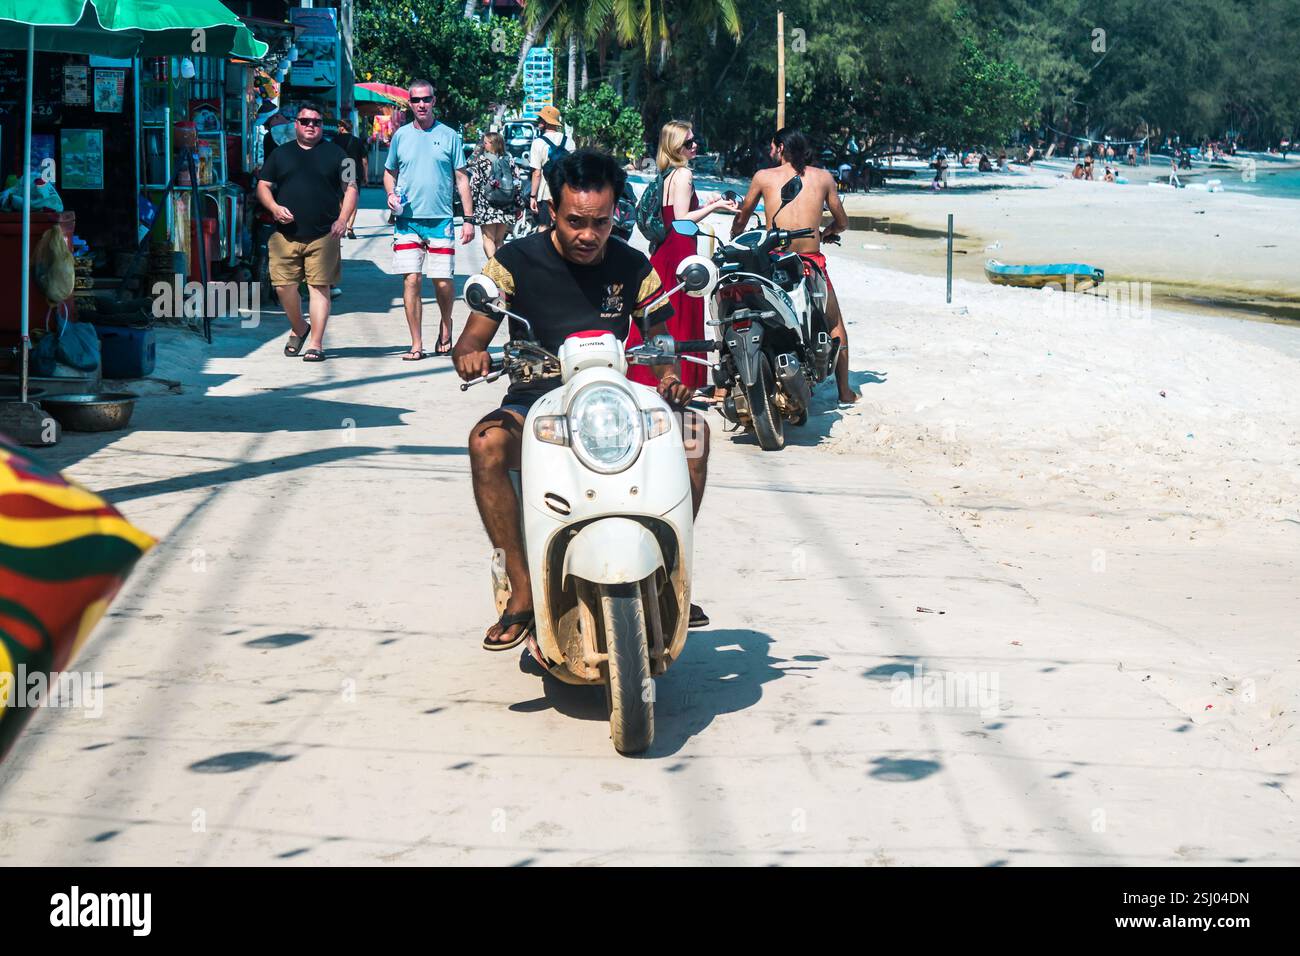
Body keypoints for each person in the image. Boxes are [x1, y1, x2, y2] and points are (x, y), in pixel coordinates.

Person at [452, 148, 713, 650]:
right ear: (553, 211)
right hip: (536, 401)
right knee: (485, 443)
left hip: (616, 401)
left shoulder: (633, 264)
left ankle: (667, 570)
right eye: (575, 221)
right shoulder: (513, 261)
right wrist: (470, 356)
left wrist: (669, 377)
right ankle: (523, 590)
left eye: (600, 221)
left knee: (695, 437)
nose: (588, 234)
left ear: (615, 214)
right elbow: (472, 340)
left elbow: (658, 341)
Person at [732, 127, 856, 405]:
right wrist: (826, 234)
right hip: (811, 262)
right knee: (835, 324)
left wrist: (734, 235)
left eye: (772, 146)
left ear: (780, 147)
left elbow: (743, 217)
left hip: (775, 260)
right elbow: (843, 222)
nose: (770, 151)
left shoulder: (763, 177)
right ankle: (845, 392)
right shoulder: (823, 177)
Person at [624, 121, 738, 392]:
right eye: (688, 143)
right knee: (683, 312)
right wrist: (718, 206)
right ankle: (684, 378)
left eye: (694, 141)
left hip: (666, 249)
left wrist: (707, 205)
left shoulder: (668, 174)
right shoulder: (683, 175)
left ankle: (647, 373)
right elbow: (681, 219)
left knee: (661, 310)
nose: (694, 145)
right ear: (676, 146)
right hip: (680, 249)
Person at [255, 100, 358, 363]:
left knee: (319, 287)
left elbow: (352, 189)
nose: (311, 126)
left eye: (317, 122)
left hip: (325, 233)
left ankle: (315, 344)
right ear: (296, 124)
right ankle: (300, 327)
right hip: (285, 234)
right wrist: (274, 207)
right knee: (283, 287)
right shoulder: (280, 153)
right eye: (305, 121)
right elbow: (263, 186)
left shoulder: (339, 155)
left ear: (323, 126)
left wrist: (343, 220)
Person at [383, 79, 474, 360]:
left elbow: (461, 178)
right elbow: (390, 172)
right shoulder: (400, 136)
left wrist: (469, 219)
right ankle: (416, 343)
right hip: (407, 220)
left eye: (426, 99)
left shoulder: (449, 136)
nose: (421, 104)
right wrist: (389, 194)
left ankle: (446, 325)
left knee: (442, 281)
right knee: (411, 280)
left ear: (434, 101)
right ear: (409, 103)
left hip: (441, 220)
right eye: (415, 100)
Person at [468, 131, 520, 260]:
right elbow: (517, 183)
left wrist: (471, 204)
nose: (483, 145)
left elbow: (475, 184)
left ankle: (494, 269)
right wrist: (518, 204)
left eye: (485, 142)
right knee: (499, 240)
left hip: (487, 205)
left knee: (488, 239)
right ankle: (501, 267)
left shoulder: (481, 161)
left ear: (492, 144)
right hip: (506, 204)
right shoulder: (509, 160)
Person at [528, 105, 572, 232]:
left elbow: (536, 173)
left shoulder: (538, 143)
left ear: (546, 122)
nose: (538, 121)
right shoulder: (569, 141)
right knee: (563, 226)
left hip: (545, 193)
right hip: (565, 191)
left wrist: (533, 196)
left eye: (541, 119)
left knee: (544, 227)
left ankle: (544, 251)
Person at [331, 118, 368, 239]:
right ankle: (350, 228)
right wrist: (366, 176)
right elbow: (364, 160)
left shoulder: (335, 140)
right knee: (353, 199)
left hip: (339, 170)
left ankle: (341, 224)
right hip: (354, 170)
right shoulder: (358, 141)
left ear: (342, 127)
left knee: (341, 200)